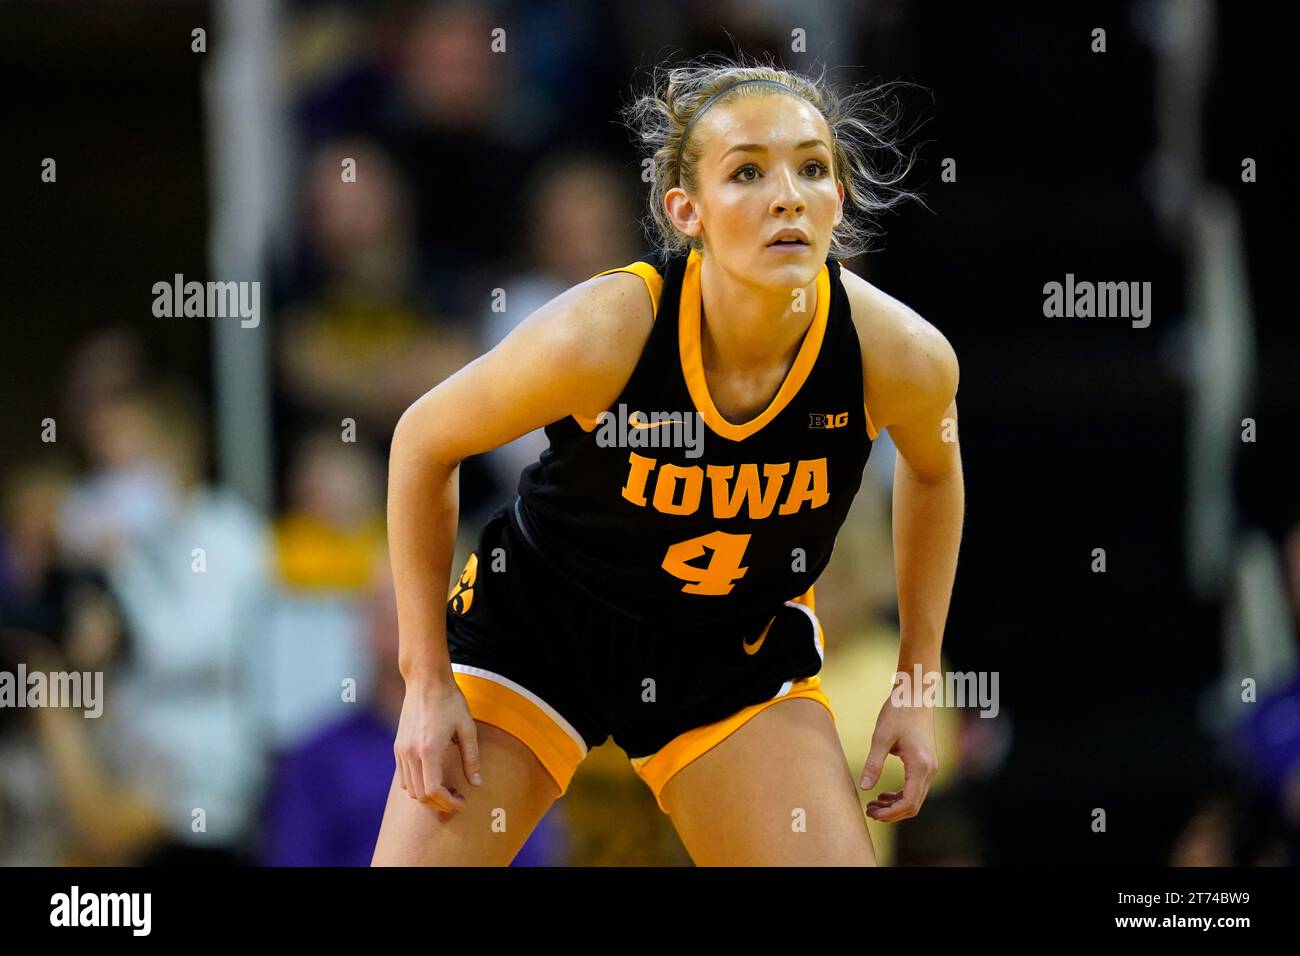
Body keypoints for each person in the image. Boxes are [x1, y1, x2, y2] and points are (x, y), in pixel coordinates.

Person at [372, 58, 964, 867]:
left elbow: (935, 471)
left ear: (839, 198)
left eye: (813, 168)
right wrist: (426, 679)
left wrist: (915, 681)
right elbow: (421, 441)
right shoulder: (606, 330)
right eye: (748, 171)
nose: (787, 193)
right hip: (541, 626)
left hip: (730, 649)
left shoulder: (900, 356)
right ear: (686, 210)